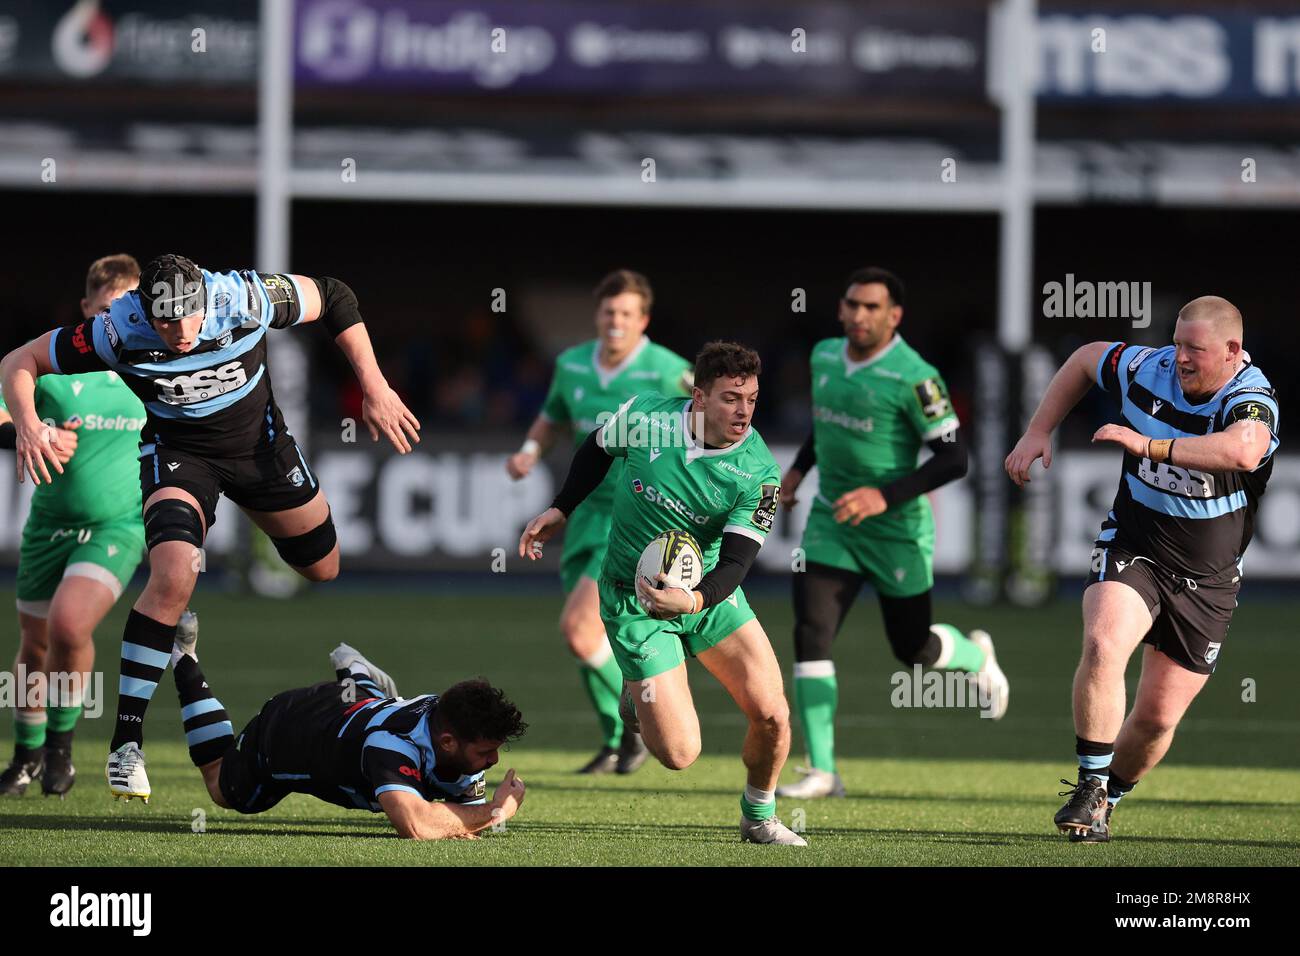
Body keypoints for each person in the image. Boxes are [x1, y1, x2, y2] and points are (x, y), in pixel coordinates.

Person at [0, 253, 421, 803]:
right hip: (179, 458)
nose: (177, 332)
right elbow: (20, 360)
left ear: (205, 303)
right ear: (143, 311)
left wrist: (374, 385)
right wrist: (29, 425)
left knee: (323, 566)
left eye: (187, 317)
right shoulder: (116, 328)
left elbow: (336, 294)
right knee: (172, 576)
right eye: (164, 320)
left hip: (260, 452)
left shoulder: (245, 297)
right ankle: (125, 743)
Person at [1005, 296, 1279, 842]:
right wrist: (1039, 429)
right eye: (1176, 343)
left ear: (1232, 352)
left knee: (1156, 719)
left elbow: (1244, 452)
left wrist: (1148, 444)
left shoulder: (1250, 397)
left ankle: (1108, 796)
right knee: (1105, 644)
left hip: (1208, 577)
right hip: (1136, 545)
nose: (1178, 357)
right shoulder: (1147, 367)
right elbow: (1085, 357)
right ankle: (1087, 783)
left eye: (1193, 349)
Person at [520, 341, 805, 845]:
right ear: (697, 397)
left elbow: (739, 560)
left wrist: (695, 600)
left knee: (774, 715)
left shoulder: (758, 470)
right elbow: (594, 448)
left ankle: (758, 816)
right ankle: (638, 689)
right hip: (634, 600)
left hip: (710, 595)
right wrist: (561, 508)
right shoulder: (645, 416)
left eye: (752, 399)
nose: (744, 412)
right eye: (730, 399)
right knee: (679, 754)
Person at [777, 267, 1008, 800]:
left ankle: (974, 656)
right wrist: (797, 471)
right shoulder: (823, 357)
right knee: (811, 631)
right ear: (841, 308)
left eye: (872, 307)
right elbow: (826, 423)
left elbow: (956, 458)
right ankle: (822, 770)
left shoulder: (916, 377)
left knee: (912, 649)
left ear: (894, 316)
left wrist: (885, 495)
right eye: (852, 305)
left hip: (895, 530)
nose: (860, 315)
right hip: (832, 521)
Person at [506, 269, 691, 775]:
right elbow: (553, 416)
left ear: (643, 320)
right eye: (610, 312)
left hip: (637, 517)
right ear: (598, 316)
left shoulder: (670, 370)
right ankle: (618, 742)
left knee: (579, 629)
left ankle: (646, 722)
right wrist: (528, 450)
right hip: (582, 514)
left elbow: (708, 421)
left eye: (627, 314)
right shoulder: (571, 365)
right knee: (593, 634)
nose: (616, 322)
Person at [0, 254, 163, 798]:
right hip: (47, 527)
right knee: (35, 645)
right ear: (87, 311)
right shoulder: (52, 370)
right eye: (107, 309)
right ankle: (26, 754)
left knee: (70, 626)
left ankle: (61, 752)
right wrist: (34, 428)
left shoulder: (153, 373)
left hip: (117, 527)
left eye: (130, 309)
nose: (118, 321)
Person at [170, 630, 527, 838]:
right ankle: (184, 660)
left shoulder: (451, 725)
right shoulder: (392, 744)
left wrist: (478, 815)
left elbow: (461, 818)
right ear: (448, 743)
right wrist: (497, 811)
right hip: (291, 725)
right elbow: (416, 824)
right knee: (222, 789)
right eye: (485, 753)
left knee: (371, 706)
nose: (493, 761)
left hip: (358, 709)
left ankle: (355, 671)